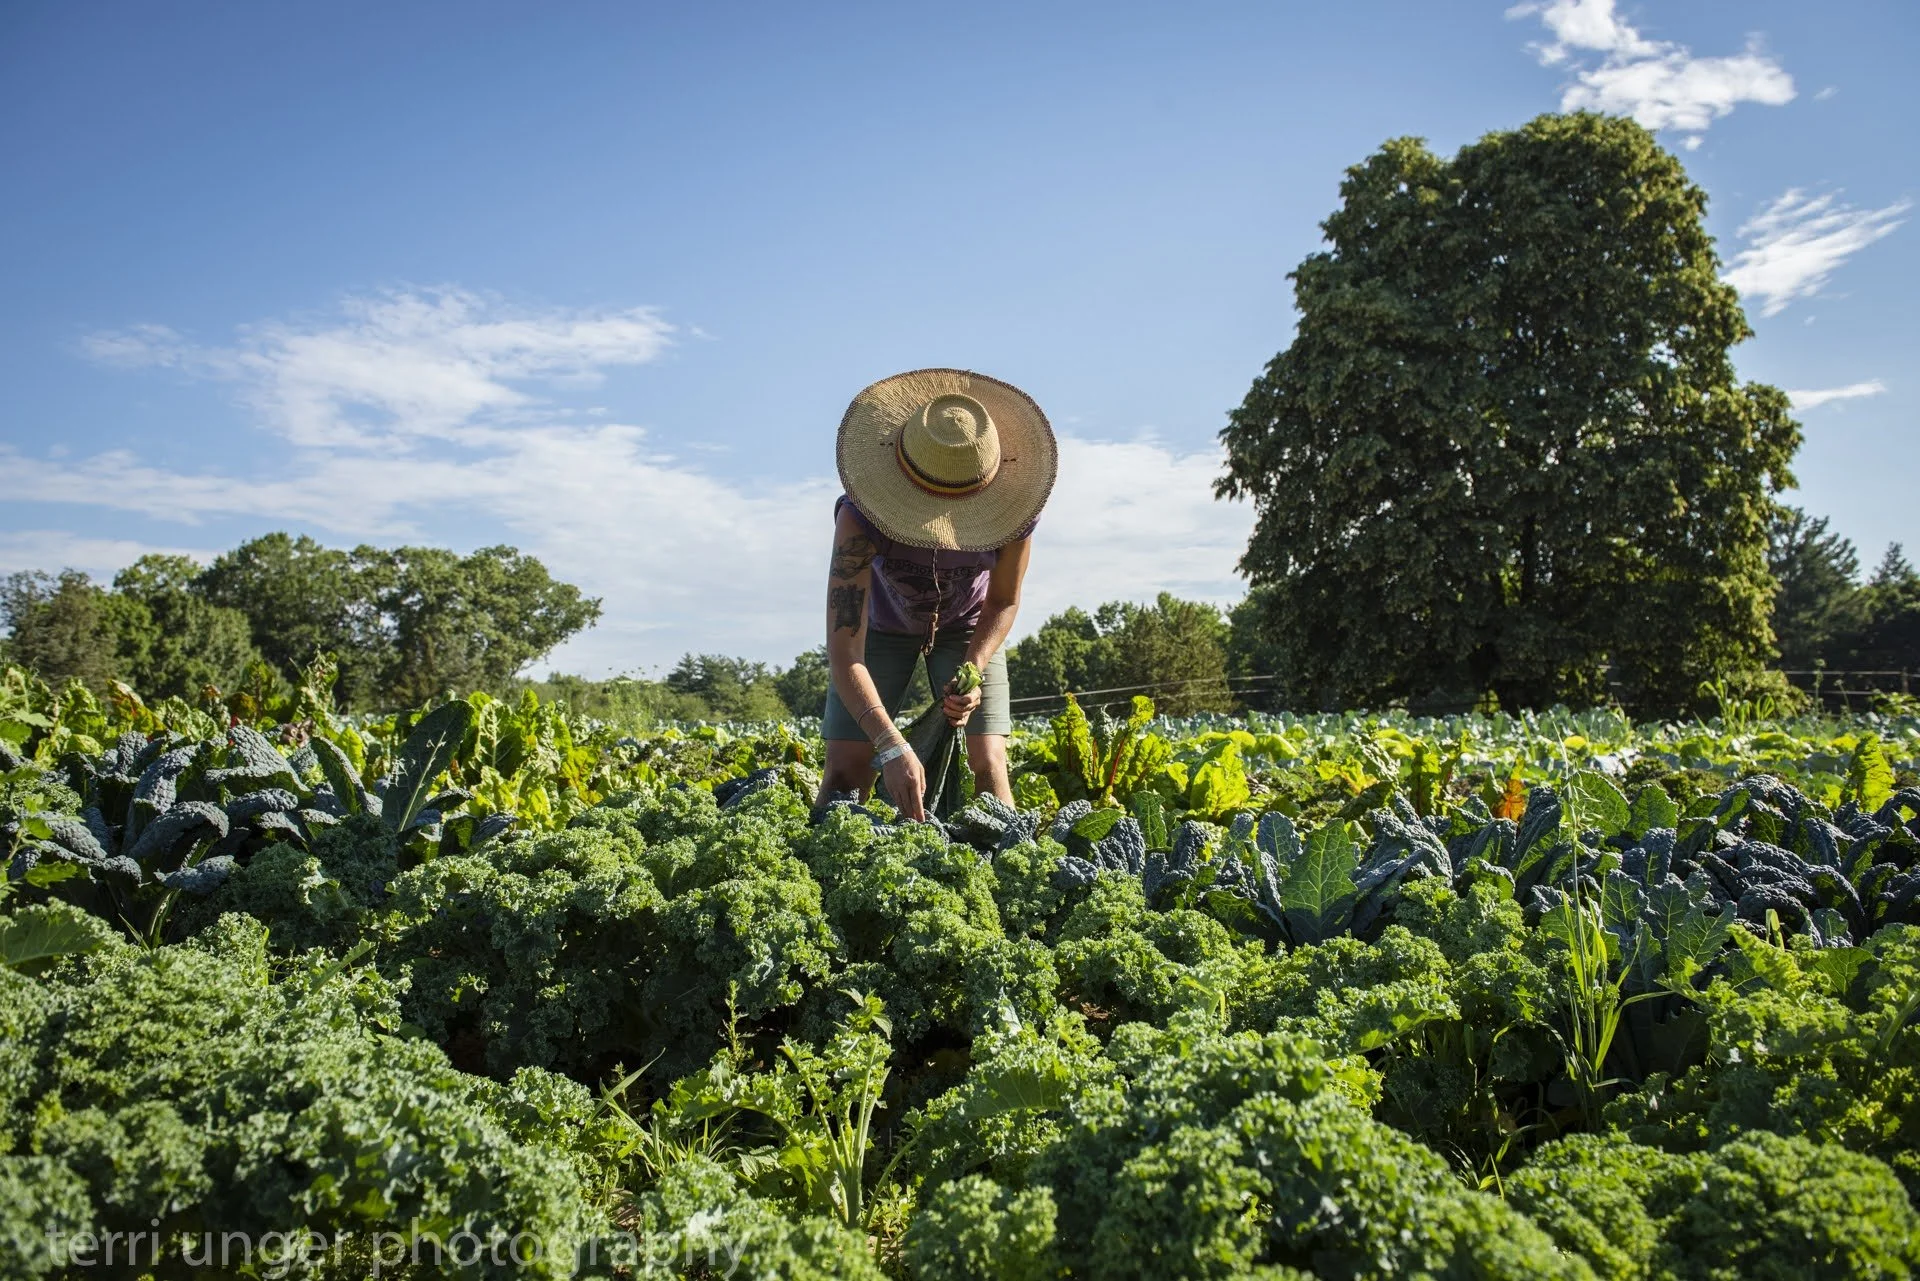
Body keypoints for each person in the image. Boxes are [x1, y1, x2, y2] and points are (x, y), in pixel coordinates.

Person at [818, 368, 1058, 821]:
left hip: (967, 626)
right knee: (846, 776)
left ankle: (1006, 880)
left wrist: (974, 665)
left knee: (988, 766)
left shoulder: (1015, 517)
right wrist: (889, 746)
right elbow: (845, 650)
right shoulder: (860, 517)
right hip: (882, 630)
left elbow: (1003, 600)